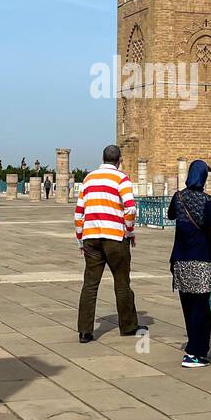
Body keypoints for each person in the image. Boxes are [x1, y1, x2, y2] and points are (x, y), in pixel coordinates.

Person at [74, 145, 144, 342]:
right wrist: (128, 231)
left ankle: (85, 331)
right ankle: (128, 326)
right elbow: (130, 208)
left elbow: (79, 212)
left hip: (90, 237)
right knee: (122, 283)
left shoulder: (88, 179)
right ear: (119, 160)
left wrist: (80, 239)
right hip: (115, 237)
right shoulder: (121, 178)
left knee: (89, 284)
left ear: (102, 158)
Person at [168, 160, 211, 367]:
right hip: (201, 260)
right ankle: (197, 352)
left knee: (188, 306)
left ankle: (192, 346)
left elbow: (170, 215)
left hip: (180, 259)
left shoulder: (178, 197)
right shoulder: (207, 200)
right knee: (202, 309)